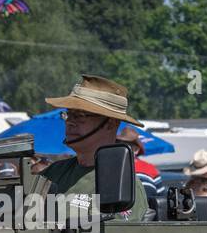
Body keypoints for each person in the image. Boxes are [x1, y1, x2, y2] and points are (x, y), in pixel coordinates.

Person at [39, 74, 149, 222]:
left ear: (110, 123)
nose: (69, 122)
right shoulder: (53, 173)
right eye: (68, 114)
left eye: (80, 115)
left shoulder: (123, 186)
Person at [116, 126, 163, 195]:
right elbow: (95, 194)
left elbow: (161, 197)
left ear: (136, 150)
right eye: (119, 145)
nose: (123, 149)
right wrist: (95, 206)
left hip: (147, 206)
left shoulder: (150, 168)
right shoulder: (107, 166)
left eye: (128, 146)